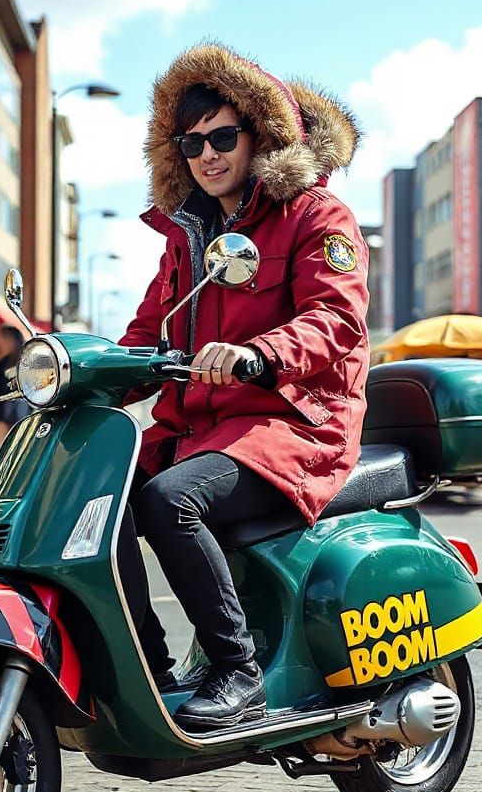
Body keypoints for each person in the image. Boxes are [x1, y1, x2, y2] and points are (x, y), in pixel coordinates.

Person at [118, 43, 369, 730]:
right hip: (200, 427)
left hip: (294, 420)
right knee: (96, 493)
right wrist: (81, 375)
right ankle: (146, 664)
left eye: (222, 137)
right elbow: (147, 329)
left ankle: (238, 671)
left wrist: (259, 354)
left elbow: (337, 318)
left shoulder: (316, 215)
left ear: (259, 135)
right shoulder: (186, 234)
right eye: (191, 142)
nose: (207, 154)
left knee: (170, 502)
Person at [0, 325, 30, 455]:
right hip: (24, 412)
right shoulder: (28, 361)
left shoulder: (2, 364)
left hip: (6, 413)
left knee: (1, 453)